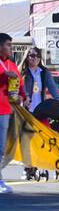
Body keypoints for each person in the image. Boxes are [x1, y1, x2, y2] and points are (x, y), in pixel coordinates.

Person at [20, 48, 59, 180]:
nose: (35, 58)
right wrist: (23, 98)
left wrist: (58, 99)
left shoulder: (44, 72)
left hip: (41, 110)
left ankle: (54, 164)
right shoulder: (22, 72)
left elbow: (52, 87)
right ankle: (28, 167)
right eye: (32, 56)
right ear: (27, 57)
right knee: (27, 140)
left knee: (46, 138)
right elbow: (18, 88)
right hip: (26, 110)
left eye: (38, 56)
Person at [0, 34, 20, 194]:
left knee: (10, 146)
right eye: (8, 45)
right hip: (1, 109)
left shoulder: (12, 65)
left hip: (9, 109)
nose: (11, 48)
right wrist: (2, 77)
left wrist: (23, 96)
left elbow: (18, 85)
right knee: (0, 147)